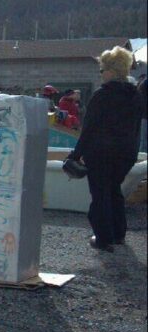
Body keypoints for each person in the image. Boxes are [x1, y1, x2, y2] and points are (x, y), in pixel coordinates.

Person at [68, 46, 144, 252]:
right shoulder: (135, 96)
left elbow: (89, 129)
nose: (100, 73)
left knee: (100, 193)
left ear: (111, 71)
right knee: (114, 190)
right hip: (127, 154)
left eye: (102, 70)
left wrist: (75, 155)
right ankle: (118, 234)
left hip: (101, 153)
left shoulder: (102, 95)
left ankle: (103, 238)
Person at [138, 75, 147, 153]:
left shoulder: (143, 84)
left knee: (143, 139)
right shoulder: (144, 84)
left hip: (144, 115)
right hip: (145, 115)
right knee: (143, 140)